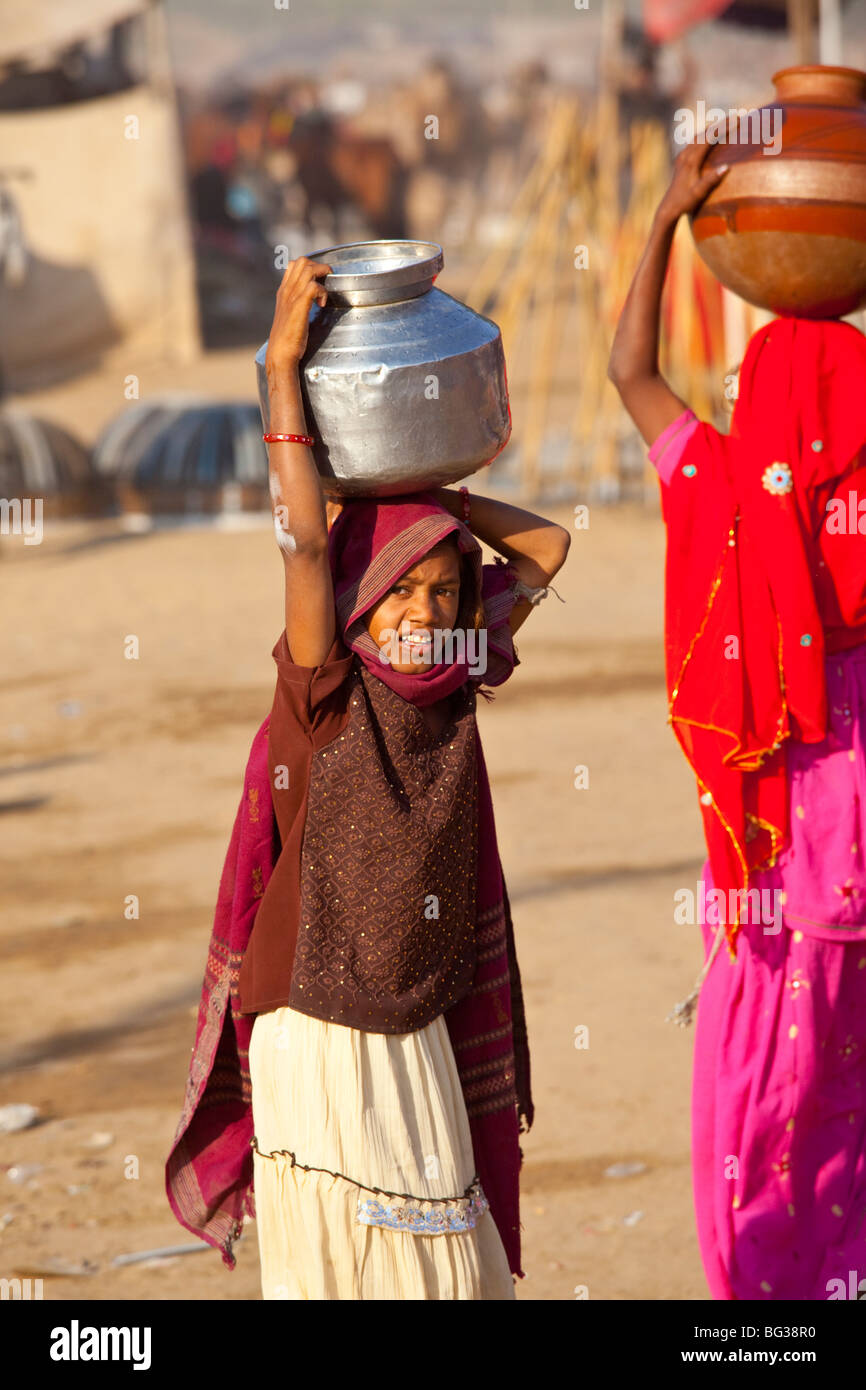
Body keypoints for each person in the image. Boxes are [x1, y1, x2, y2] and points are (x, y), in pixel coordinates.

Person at [166, 256, 570, 1300]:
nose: (428, 615)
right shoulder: (324, 687)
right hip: (317, 1021)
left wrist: (439, 495)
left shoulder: (456, 678)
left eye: (445, 593)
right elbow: (306, 543)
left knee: (450, 1277)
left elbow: (545, 554)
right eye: (403, 590)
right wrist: (287, 369)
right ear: (357, 599)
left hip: (413, 1015)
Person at [608, 142, 866, 1301]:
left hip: (769, 868)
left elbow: (630, 373)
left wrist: (668, 210)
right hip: (830, 862)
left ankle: (768, 1296)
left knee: (770, 1092)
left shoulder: (722, 487)